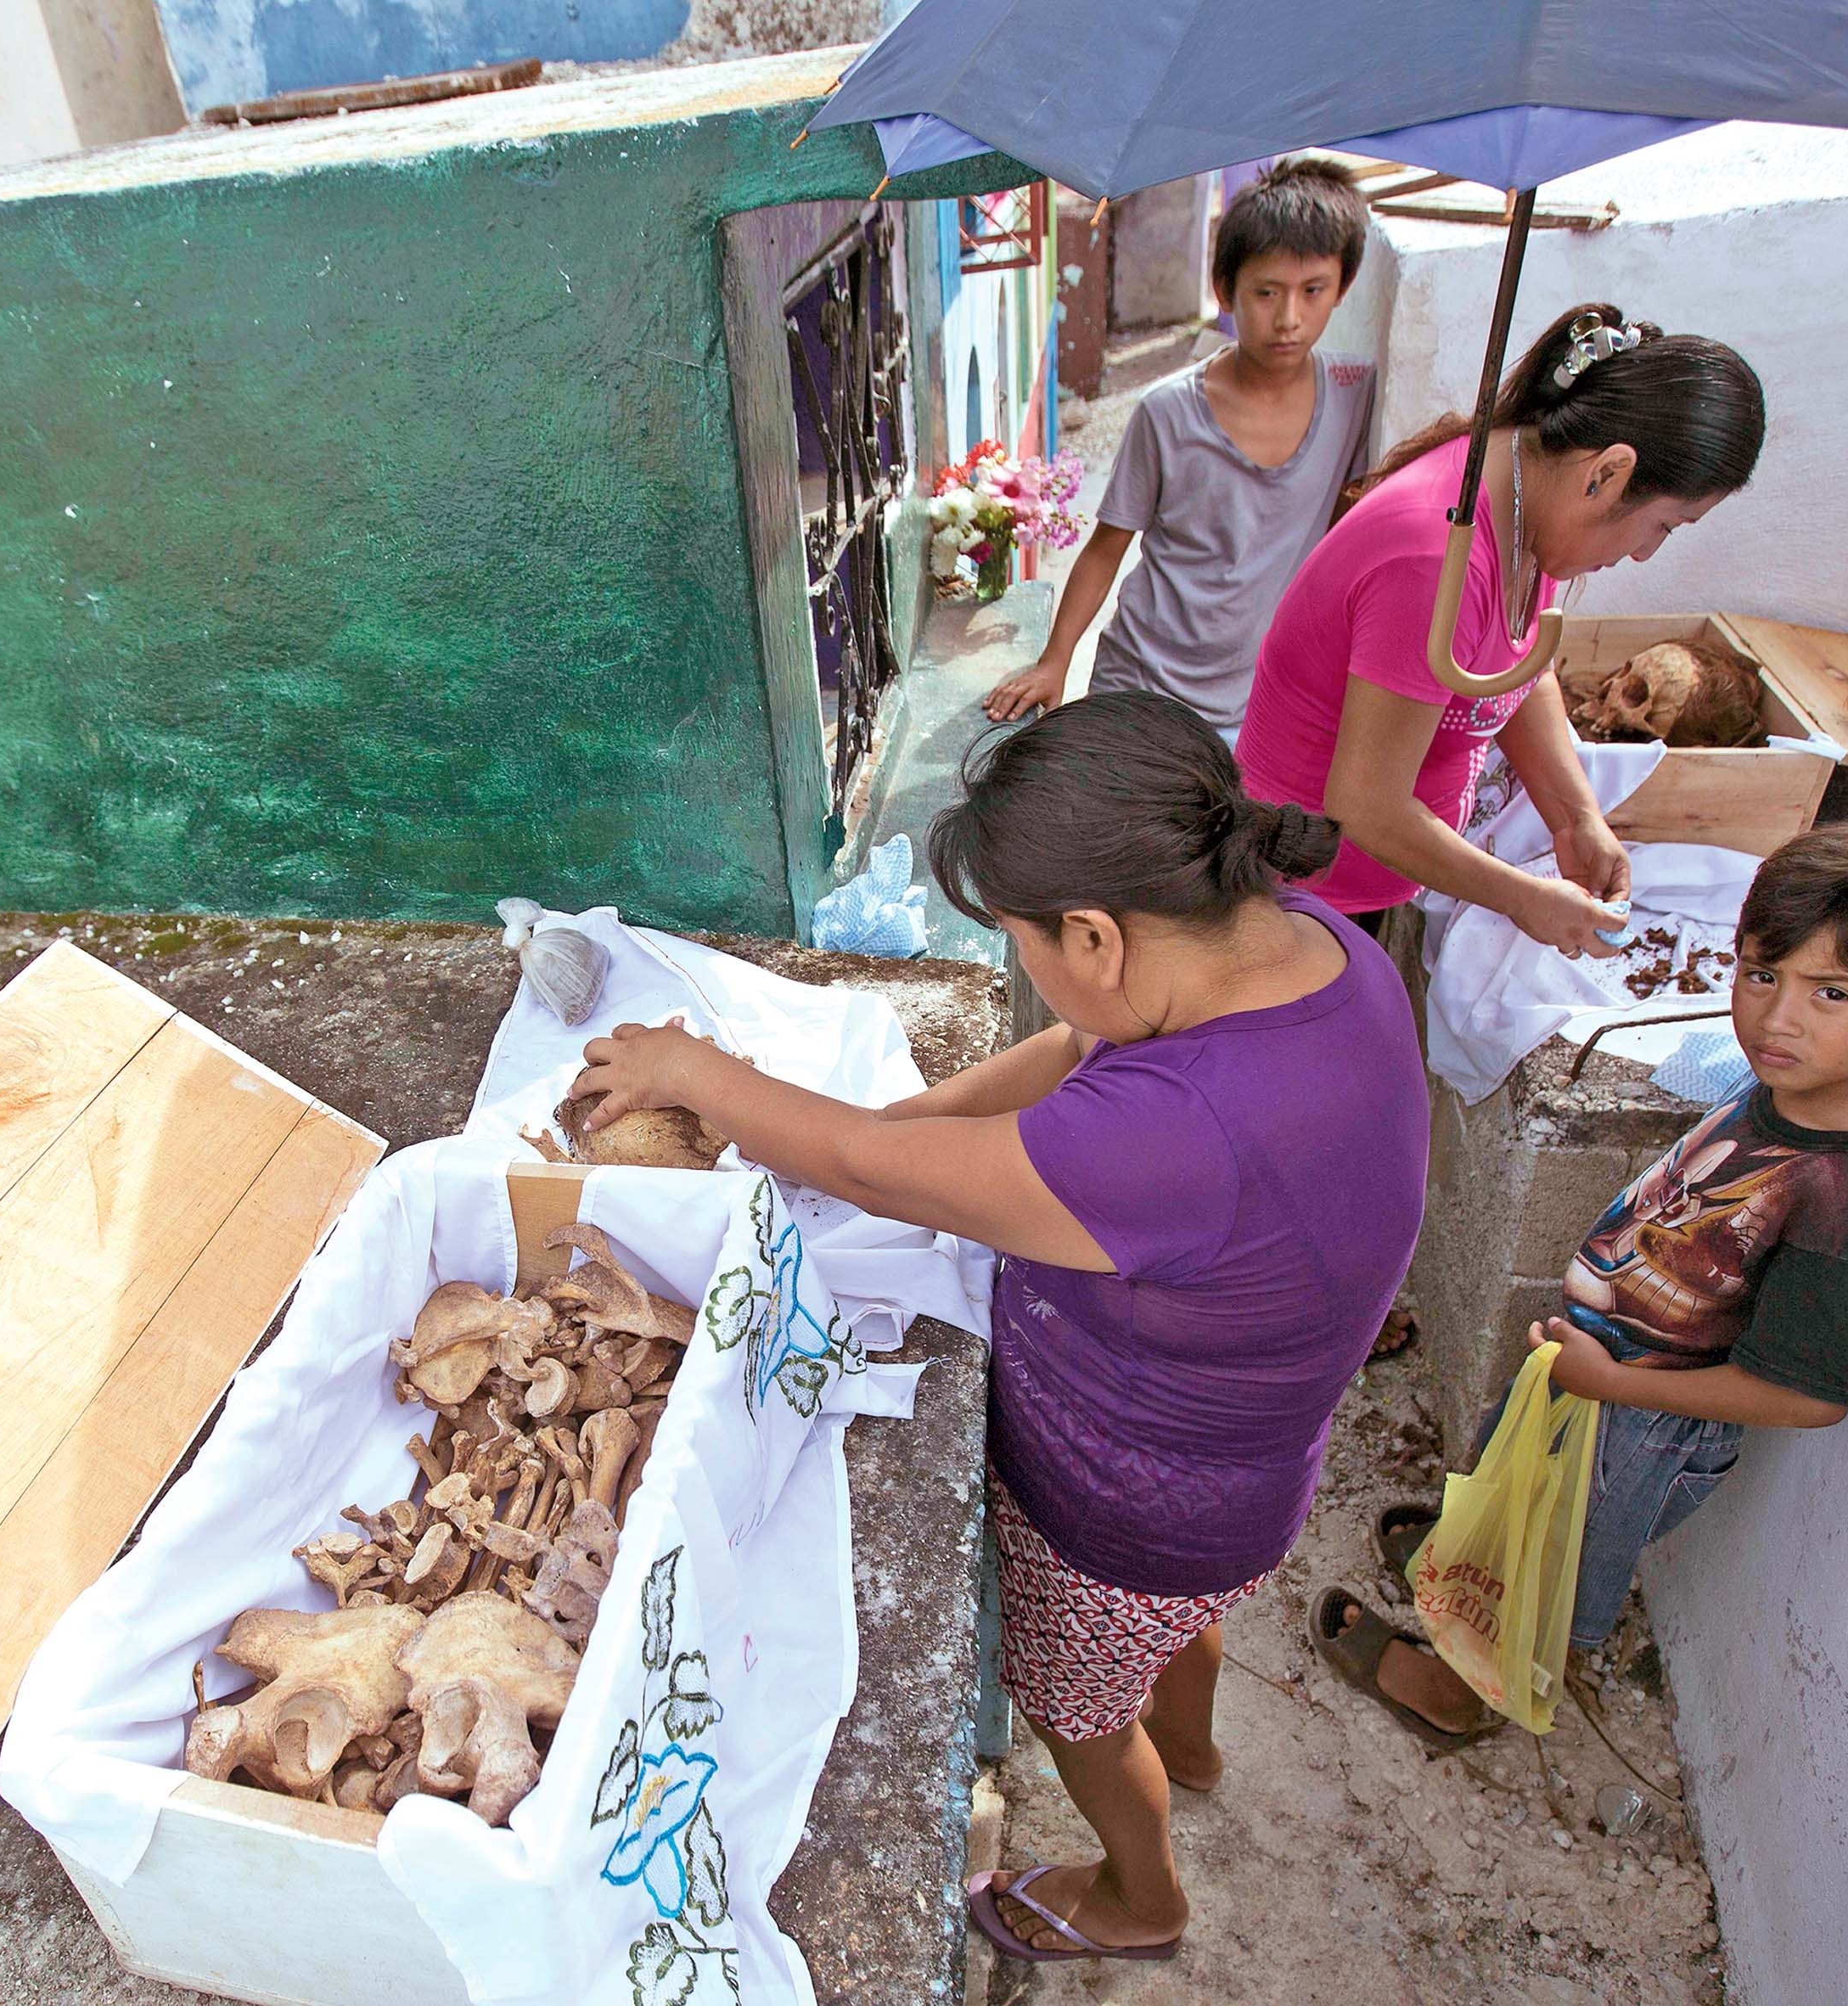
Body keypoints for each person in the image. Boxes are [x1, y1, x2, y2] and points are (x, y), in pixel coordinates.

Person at [569, 692, 1427, 1963]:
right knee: (1175, 1624)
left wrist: (702, 1076)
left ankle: (1143, 1894)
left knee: (1076, 1701)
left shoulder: (1181, 1131)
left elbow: (883, 1169)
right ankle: (1187, 1741)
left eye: (1021, 938)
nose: (1029, 965)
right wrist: (909, 1135)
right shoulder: (1289, 943)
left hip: (1128, 1504)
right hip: (1244, 1472)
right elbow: (1072, 1060)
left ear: (1091, 929)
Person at [1312, 825, 1848, 1742]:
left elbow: (1807, 1396)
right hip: (1600, 1380)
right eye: (1761, 973)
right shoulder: (1797, 1081)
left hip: (1643, 1424)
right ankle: (1473, 1563)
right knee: (1518, 1510)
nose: (1776, 1018)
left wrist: (1614, 1382)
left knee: (1554, 1569)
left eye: (1833, 993)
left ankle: (1459, 1695)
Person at [1238, 301, 1767, 952]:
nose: (1643, 553)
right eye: (1663, 524)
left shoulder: (1523, 492)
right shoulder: (1433, 560)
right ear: (1607, 473)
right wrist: (1521, 898)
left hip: (1374, 875)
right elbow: (1366, 805)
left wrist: (1574, 818)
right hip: (1303, 895)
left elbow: (1515, 665)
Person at [984, 160, 1379, 741]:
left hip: (1261, 706)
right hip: (1141, 688)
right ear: (1225, 290)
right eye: (1266, 293)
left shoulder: (1356, 395)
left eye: (1312, 291)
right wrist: (1055, 660)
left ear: (1342, 287)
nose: (1289, 319)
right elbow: (1105, 547)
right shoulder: (1167, 412)